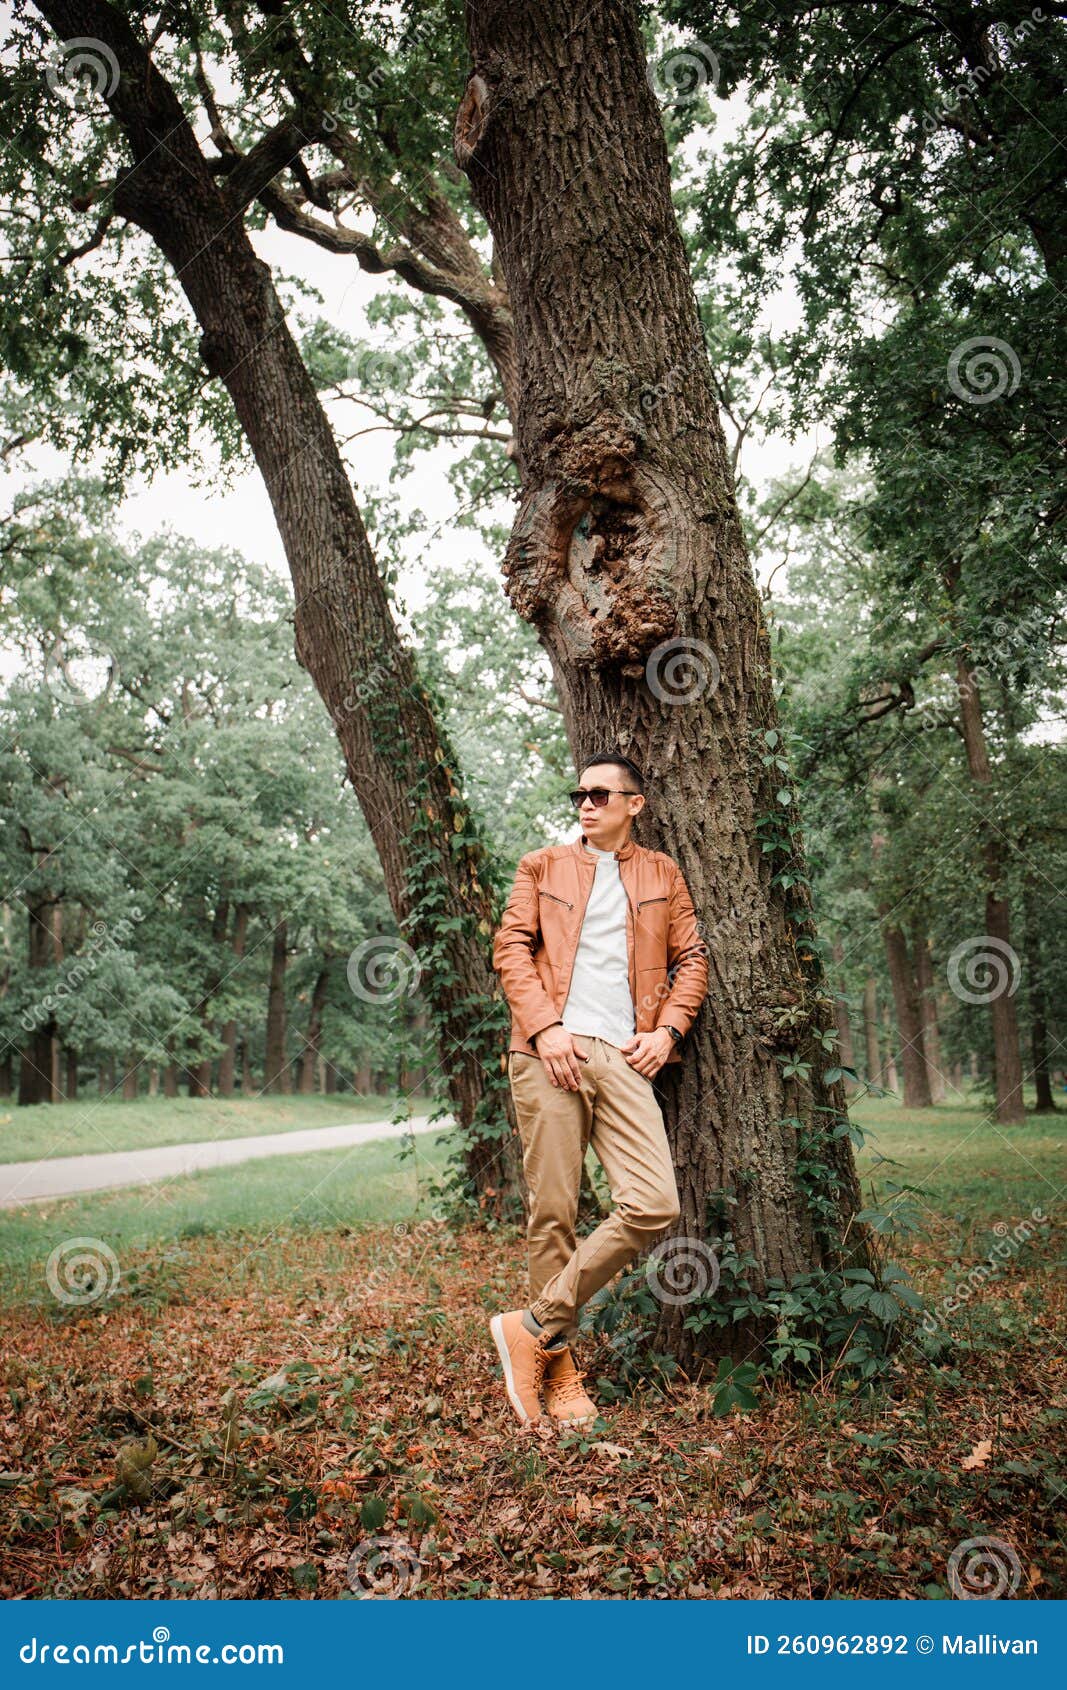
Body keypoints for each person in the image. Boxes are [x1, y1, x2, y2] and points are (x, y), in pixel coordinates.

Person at [489, 750, 709, 1426]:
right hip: (547, 1050)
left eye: (601, 795)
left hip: (623, 1055)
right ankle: (559, 1380)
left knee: (652, 1203)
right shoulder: (542, 866)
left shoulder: (660, 872)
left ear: (634, 805)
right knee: (552, 1214)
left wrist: (668, 1032)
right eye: (578, 793)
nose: (585, 804)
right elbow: (511, 948)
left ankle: (530, 1325)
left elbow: (691, 958)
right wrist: (546, 1028)